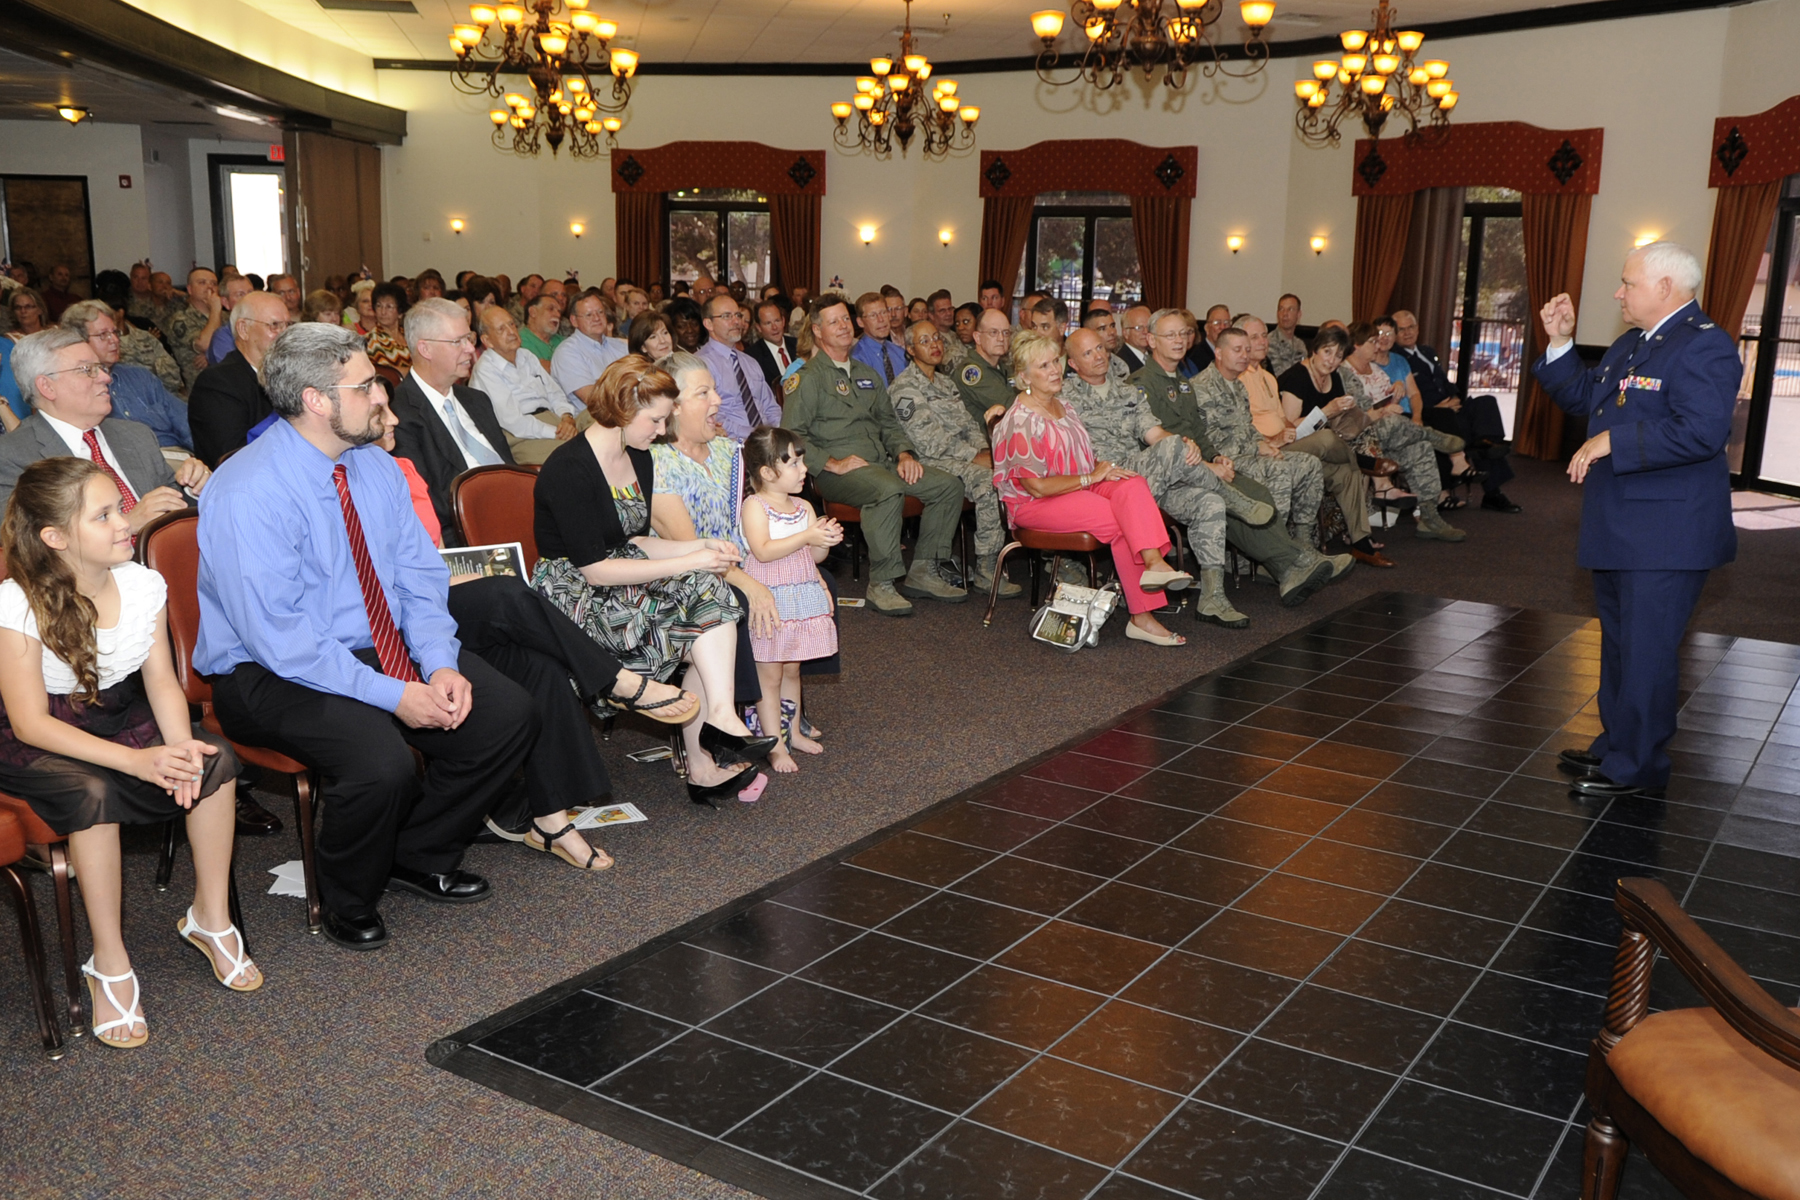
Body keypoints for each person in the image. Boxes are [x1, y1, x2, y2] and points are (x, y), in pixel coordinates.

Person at [197, 322, 536, 949]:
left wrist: (437, 662)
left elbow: (420, 578)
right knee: (380, 763)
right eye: (366, 387)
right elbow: (282, 638)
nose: (382, 398)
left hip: (376, 645)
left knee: (507, 714)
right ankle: (345, 894)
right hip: (265, 673)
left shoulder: (372, 467)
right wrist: (393, 694)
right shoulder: (249, 490)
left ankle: (417, 852)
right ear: (316, 401)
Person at [0, 458, 260, 1046]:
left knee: (210, 758)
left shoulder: (143, 583)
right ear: (56, 538)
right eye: (105, 515)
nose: (125, 522)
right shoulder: (15, 605)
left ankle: (209, 918)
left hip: (117, 710)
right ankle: (109, 959)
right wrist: (138, 762)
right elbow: (30, 722)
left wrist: (176, 746)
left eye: (118, 507)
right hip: (40, 732)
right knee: (90, 791)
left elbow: (163, 681)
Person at [376, 400, 690, 868]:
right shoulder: (345, 483)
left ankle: (550, 821)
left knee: (539, 660)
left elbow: (431, 553)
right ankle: (613, 679)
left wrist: (458, 573)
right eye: (380, 412)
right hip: (397, 612)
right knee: (507, 594)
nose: (393, 420)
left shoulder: (402, 470)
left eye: (389, 408)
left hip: (434, 597)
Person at [1536, 242, 1738, 800]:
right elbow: (1587, 399)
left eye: (1628, 283)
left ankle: (1639, 765)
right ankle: (1617, 745)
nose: (1618, 293)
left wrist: (1612, 441)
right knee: (1623, 644)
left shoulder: (1705, 347)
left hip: (1668, 532)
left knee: (1648, 651)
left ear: (1665, 287)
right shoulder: (1633, 344)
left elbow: (1702, 431)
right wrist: (1558, 343)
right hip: (1623, 525)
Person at [532, 355, 773, 805]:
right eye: (656, 418)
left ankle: (716, 724)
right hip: (575, 592)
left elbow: (637, 541)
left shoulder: (637, 456)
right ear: (623, 409)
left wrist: (700, 549)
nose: (661, 430)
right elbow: (595, 568)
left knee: (714, 591)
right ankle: (705, 753)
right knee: (700, 597)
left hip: (621, 572)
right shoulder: (569, 468)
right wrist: (687, 561)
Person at [649, 352, 840, 745]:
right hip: (694, 574)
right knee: (745, 600)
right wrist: (752, 584)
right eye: (704, 392)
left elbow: (771, 503)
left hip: (750, 559)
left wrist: (808, 567)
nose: (717, 400)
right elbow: (688, 548)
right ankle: (750, 707)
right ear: (674, 406)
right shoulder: (657, 463)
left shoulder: (728, 453)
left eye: (715, 390)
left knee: (824, 583)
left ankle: (786, 703)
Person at [993, 330, 1193, 644]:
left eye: (1055, 362)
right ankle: (1142, 616)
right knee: (1119, 520)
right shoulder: (1020, 421)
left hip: (1076, 488)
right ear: (1023, 376)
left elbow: (1084, 457)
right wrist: (1091, 479)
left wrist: (1104, 471)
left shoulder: (1063, 406)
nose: (1055, 370)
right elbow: (1036, 487)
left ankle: (1154, 563)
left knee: (1132, 484)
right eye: (1043, 366)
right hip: (1034, 504)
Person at [1130, 311, 1339, 607]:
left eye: (1183, 334)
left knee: (1258, 492)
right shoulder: (1140, 384)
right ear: (1151, 340)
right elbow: (1153, 443)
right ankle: (1295, 561)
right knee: (1231, 499)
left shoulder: (1183, 384)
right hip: (1168, 478)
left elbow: (1199, 433)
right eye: (1170, 335)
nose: (1179, 340)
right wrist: (1208, 465)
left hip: (1201, 465)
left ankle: (1286, 567)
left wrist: (1217, 456)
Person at [780, 294, 967, 616]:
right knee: (887, 489)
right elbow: (793, 436)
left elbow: (888, 423)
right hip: (836, 473)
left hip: (881, 463)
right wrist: (831, 463)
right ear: (818, 331)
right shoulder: (808, 378)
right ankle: (881, 582)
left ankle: (923, 571)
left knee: (948, 486)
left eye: (845, 319)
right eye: (833, 321)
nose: (843, 326)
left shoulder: (866, 373)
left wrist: (905, 454)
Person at [1060, 327, 1248, 629]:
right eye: (1087, 353)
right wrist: (1100, 468)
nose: (1098, 356)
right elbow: (1064, 451)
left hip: (1144, 476)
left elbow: (1154, 434)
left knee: (1208, 501)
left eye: (1100, 348)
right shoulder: (1063, 398)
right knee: (1176, 448)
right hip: (1102, 481)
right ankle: (1232, 495)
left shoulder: (1128, 391)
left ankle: (1213, 598)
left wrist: (1183, 445)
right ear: (1072, 364)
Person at [0, 328, 210, 526]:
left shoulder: (136, 435)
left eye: (100, 367)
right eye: (86, 370)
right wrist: (125, 524)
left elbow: (174, 506)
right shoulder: (13, 457)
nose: (106, 377)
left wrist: (193, 487)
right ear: (47, 386)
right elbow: (22, 543)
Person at [888, 320, 1019, 597]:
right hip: (926, 461)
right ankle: (986, 568)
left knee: (997, 473)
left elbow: (969, 426)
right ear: (910, 350)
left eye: (936, 338)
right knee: (988, 481)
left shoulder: (946, 383)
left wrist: (986, 452)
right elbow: (930, 441)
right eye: (925, 341)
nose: (935, 344)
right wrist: (976, 457)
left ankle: (989, 567)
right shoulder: (905, 388)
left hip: (958, 457)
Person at [738, 427, 840, 774]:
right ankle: (775, 744)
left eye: (801, 461)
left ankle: (793, 730)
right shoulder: (755, 506)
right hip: (772, 599)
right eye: (793, 463)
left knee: (793, 668)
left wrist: (823, 538)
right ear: (767, 473)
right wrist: (806, 535)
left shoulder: (804, 506)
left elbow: (815, 557)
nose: (803, 470)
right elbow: (763, 552)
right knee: (769, 674)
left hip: (801, 594)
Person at [1249, 318, 1384, 567]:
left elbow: (1284, 424)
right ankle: (1361, 460)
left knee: (1347, 471)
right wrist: (1326, 411)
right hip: (1287, 444)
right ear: (1315, 350)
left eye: (1337, 355)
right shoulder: (1295, 377)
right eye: (1327, 352)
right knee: (1327, 438)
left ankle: (1361, 541)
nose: (1331, 360)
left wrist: (1341, 412)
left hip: (1304, 445)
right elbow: (1291, 424)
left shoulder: (1268, 377)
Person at [1191, 328, 1332, 557]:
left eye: (1247, 350)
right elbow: (1212, 440)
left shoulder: (1237, 385)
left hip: (1248, 454)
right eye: (1237, 350)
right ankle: (1275, 552)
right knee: (1279, 469)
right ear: (1218, 352)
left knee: (1309, 463)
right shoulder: (1201, 387)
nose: (1244, 355)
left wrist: (1266, 444)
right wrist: (1258, 447)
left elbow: (1247, 427)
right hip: (1224, 461)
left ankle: (1304, 542)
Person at [388, 298, 514, 540]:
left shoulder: (477, 400)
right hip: (466, 532)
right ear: (425, 349)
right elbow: (429, 502)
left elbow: (508, 465)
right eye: (458, 341)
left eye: (470, 338)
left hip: (514, 510)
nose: (469, 349)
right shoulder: (399, 414)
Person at [1337, 321, 1467, 541]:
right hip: (1363, 438)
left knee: (1421, 448)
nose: (1377, 346)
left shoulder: (1376, 370)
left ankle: (1429, 518)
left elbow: (1393, 398)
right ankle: (1431, 434)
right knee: (1393, 422)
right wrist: (1385, 410)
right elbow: (1359, 416)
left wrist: (1396, 391)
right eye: (1371, 342)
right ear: (1356, 345)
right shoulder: (1344, 373)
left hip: (1388, 438)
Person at [1391, 309, 1521, 514]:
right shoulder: (1396, 359)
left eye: (1411, 327)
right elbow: (1408, 397)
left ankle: (1488, 442)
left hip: (1451, 406)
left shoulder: (1426, 351)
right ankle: (1492, 490)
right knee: (1458, 428)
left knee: (1486, 402)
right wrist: (1437, 407)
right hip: (1431, 413)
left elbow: (1444, 381)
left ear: (1418, 328)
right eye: (1401, 329)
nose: (1408, 333)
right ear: (1394, 333)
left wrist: (1455, 397)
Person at [59, 301, 192, 454]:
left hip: (177, 456)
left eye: (115, 332)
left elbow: (187, 422)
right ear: (78, 341)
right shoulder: (75, 389)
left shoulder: (141, 377)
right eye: (103, 335)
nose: (115, 340)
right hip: (127, 465)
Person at [470, 305, 586, 465]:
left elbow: (555, 393)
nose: (511, 332)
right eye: (501, 329)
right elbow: (514, 422)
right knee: (577, 455)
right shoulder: (486, 369)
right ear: (487, 341)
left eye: (511, 324)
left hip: (555, 420)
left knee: (606, 424)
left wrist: (567, 417)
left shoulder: (526, 356)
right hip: (522, 436)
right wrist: (558, 432)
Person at [187, 291, 289, 467]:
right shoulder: (217, 383)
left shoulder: (290, 374)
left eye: (288, 326)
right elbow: (231, 457)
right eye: (274, 325)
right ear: (243, 329)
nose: (285, 334)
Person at [698, 295, 782, 438]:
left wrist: (776, 433)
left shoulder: (749, 362)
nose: (737, 321)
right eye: (727, 316)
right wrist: (756, 436)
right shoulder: (701, 364)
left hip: (767, 442)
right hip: (731, 444)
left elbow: (770, 406)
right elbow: (713, 415)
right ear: (708, 324)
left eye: (738, 315)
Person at [551, 290, 629, 411]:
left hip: (628, 410)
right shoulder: (567, 352)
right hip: (592, 420)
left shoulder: (621, 346)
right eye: (589, 315)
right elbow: (592, 399)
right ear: (574, 321)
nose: (597, 318)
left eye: (600, 312)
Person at [954, 308, 1017, 431]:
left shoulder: (1004, 367)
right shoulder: (971, 372)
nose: (1001, 338)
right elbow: (1011, 405)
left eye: (1005, 333)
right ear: (977, 337)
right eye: (993, 332)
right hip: (981, 444)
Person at [851, 292, 907, 384]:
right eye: (873, 315)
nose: (881, 319)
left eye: (883, 312)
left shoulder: (900, 354)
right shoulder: (858, 358)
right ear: (860, 322)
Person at [746, 298, 799, 391]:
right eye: (768, 323)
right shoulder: (752, 357)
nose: (774, 327)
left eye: (777, 321)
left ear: (783, 321)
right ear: (758, 327)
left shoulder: (799, 345)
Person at [206, 275, 254, 366]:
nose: (248, 298)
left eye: (250, 292)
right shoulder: (223, 337)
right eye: (240, 294)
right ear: (226, 303)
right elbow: (236, 373)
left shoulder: (266, 327)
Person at [1267, 294, 1306, 377]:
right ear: (1277, 313)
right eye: (1281, 309)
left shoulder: (1300, 345)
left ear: (1298, 315)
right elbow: (1279, 375)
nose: (1285, 314)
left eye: (1290, 309)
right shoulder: (1269, 341)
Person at [927, 290, 967, 366]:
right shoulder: (930, 340)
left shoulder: (959, 335)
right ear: (931, 315)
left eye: (950, 309)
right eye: (942, 311)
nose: (948, 313)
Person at [1116, 305, 1151, 373]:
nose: (1145, 332)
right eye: (1139, 328)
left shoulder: (1155, 357)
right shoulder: (1120, 363)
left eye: (1148, 327)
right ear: (1126, 333)